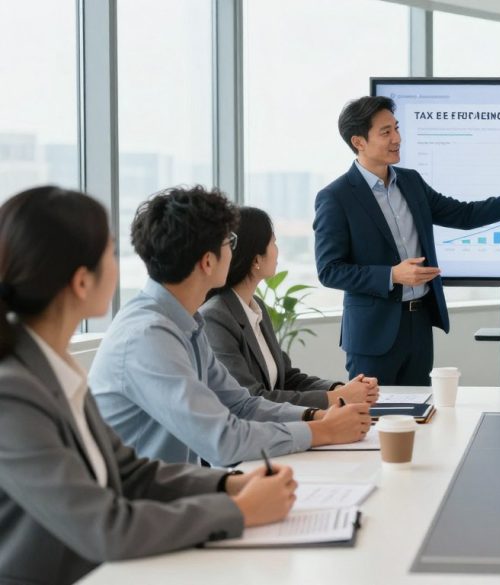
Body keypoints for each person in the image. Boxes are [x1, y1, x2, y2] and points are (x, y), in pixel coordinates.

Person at [0, 187, 296, 585]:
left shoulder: (53, 367)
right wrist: (240, 511)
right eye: (110, 252)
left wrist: (228, 483)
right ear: (81, 283)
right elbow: (107, 527)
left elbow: (131, 474)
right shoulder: (13, 393)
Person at [91, 186, 371, 467]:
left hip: (182, 489)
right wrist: (322, 431)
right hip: (145, 502)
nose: (234, 251)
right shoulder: (148, 336)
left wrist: (318, 417)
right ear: (208, 262)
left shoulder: (187, 322)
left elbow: (241, 405)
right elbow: (221, 440)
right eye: (229, 241)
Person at [314, 95, 500, 385]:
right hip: (373, 334)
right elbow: (329, 270)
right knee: (374, 420)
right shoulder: (336, 197)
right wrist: (393, 275)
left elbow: (465, 214)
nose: (397, 138)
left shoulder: (411, 182)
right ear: (359, 142)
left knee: (421, 416)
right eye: (386, 132)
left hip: (418, 324)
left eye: (396, 128)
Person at [202, 206, 380, 409]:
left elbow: (288, 378)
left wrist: (339, 389)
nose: (278, 251)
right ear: (256, 259)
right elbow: (251, 399)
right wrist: (336, 398)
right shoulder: (215, 317)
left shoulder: (256, 306)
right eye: (274, 243)